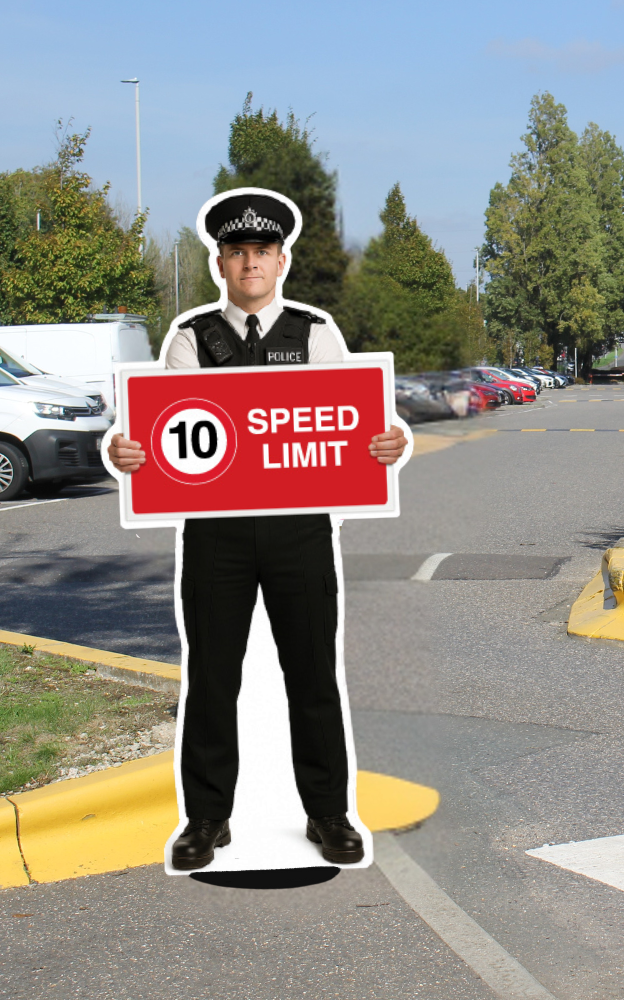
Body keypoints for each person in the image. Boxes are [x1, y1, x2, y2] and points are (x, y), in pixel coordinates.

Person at [108, 190, 406, 872]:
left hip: (300, 533)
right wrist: (133, 455)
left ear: (282, 260)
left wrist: (384, 445)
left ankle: (329, 814)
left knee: (312, 675)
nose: (250, 263)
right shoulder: (190, 339)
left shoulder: (314, 334)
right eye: (237, 252)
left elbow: (354, 430)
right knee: (213, 679)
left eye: (262, 251)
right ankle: (208, 819)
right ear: (219, 262)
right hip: (217, 538)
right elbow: (166, 439)